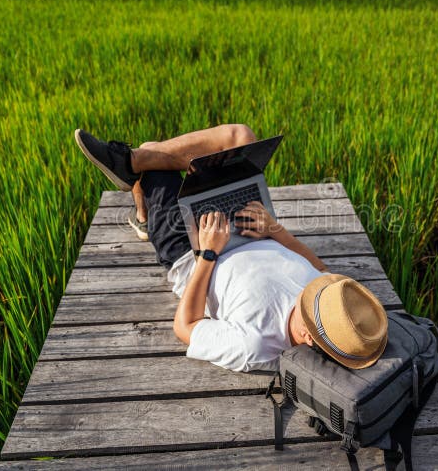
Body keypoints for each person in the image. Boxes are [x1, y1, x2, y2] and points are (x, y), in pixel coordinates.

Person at [74, 124, 388, 372]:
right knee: (241, 136)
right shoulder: (332, 301)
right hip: (251, 229)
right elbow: (319, 268)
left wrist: (208, 254)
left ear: (307, 335)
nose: (316, 290)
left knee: (156, 161)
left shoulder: (255, 344)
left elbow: (186, 327)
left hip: (192, 249)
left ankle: (138, 187)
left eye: (311, 300)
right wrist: (275, 230)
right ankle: (133, 170)